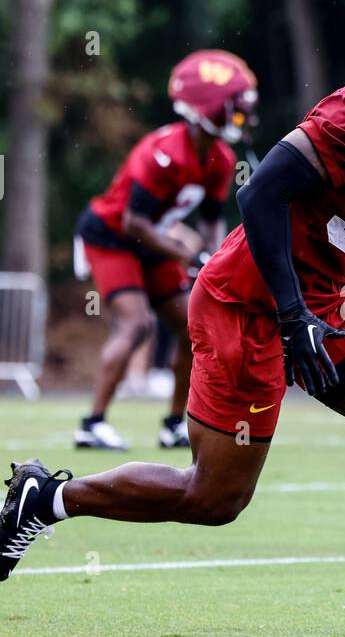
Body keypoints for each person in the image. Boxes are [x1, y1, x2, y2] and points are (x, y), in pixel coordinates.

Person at [0, 0, 345, 637]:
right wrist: (293, 317)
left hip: (329, 288)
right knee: (215, 498)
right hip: (246, 299)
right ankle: (50, 498)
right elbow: (259, 195)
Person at [72, 50, 256, 450]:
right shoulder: (165, 152)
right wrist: (187, 255)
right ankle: (92, 423)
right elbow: (132, 223)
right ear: (207, 107)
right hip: (113, 236)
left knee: (193, 329)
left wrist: (214, 255)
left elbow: (210, 218)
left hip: (155, 241)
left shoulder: (221, 158)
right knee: (136, 324)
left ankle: (174, 423)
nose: (241, 116)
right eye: (234, 108)